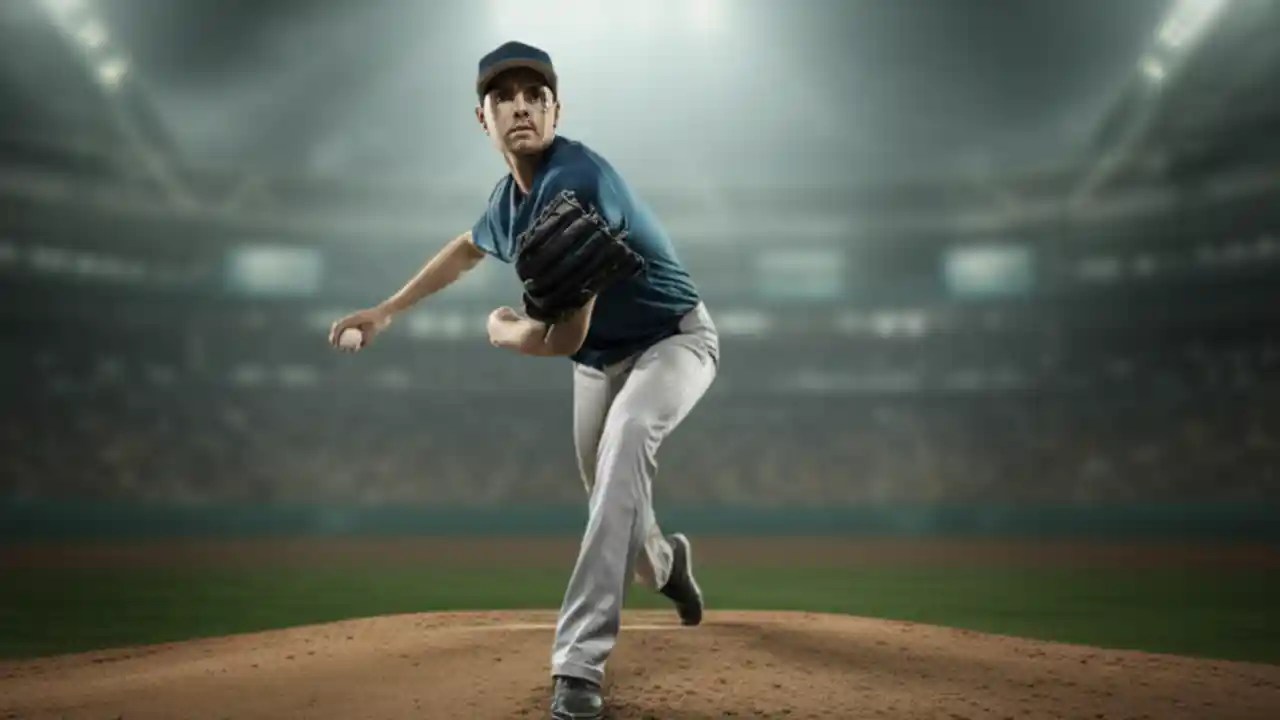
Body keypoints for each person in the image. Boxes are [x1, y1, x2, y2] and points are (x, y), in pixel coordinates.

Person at [329, 40, 720, 720]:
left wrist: (503, 330)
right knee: (611, 499)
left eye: (534, 96)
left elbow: (561, 336)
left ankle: (579, 666)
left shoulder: (580, 185)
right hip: (599, 364)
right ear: (481, 118)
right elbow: (466, 248)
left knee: (628, 439)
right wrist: (387, 311)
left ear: (555, 109)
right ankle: (665, 566)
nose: (520, 106)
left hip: (673, 341)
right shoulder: (509, 202)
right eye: (503, 97)